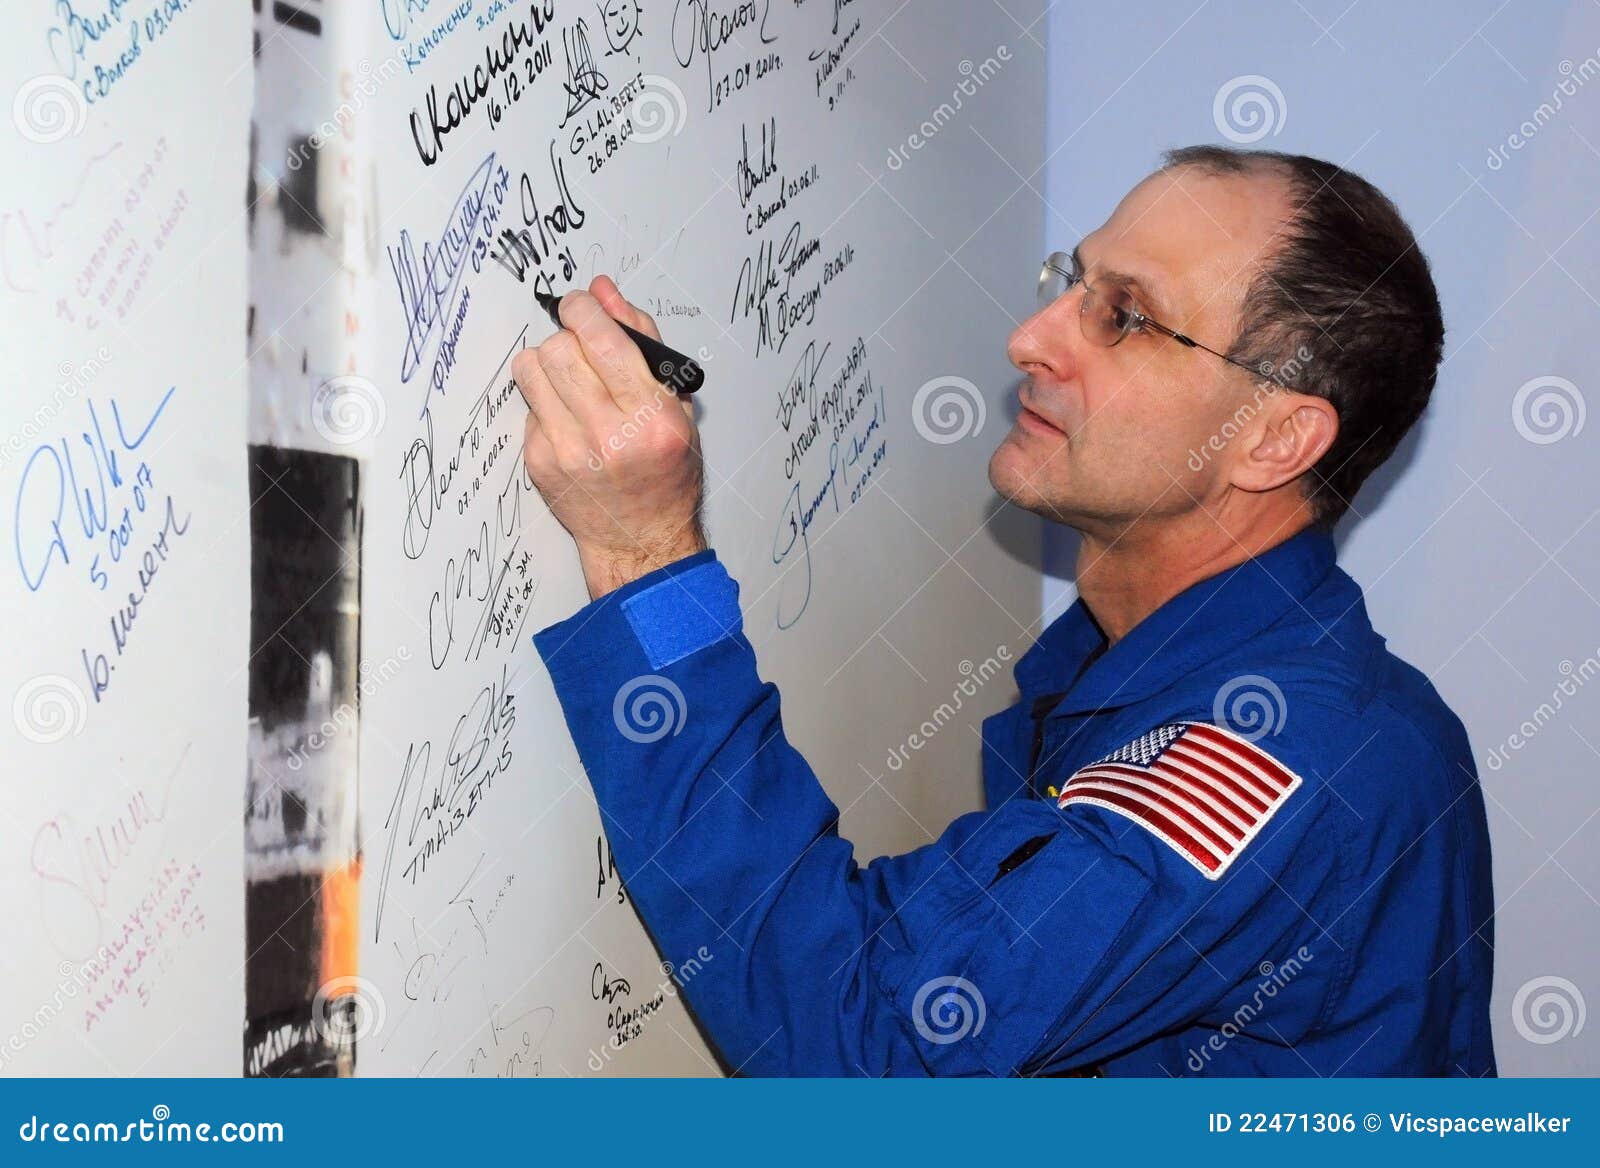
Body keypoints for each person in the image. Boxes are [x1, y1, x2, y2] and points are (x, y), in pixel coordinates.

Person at [513, 145, 1496, 1076]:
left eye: (1125, 317)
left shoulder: (1275, 756)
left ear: (1273, 440)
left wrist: (644, 553)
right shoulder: (1144, 668)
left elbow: (857, 1049)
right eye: (1073, 279)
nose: (1030, 339)